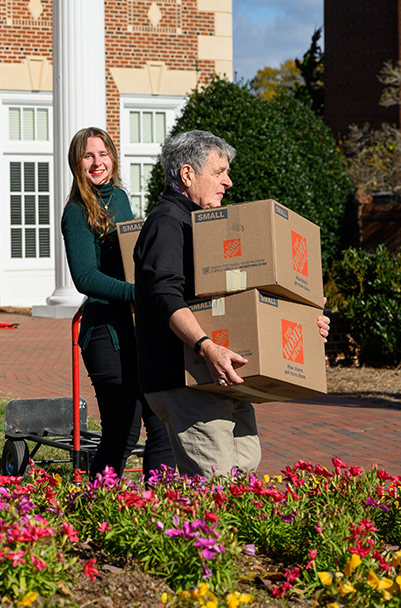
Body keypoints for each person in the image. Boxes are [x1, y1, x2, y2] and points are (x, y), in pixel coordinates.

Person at [133, 130, 330, 477]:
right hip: (185, 377)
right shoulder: (167, 223)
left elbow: (244, 299)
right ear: (187, 174)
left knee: (244, 471)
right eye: (219, 171)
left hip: (222, 377)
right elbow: (165, 296)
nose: (229, 181)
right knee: (216, 483)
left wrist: (303, 319)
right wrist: (207, 348)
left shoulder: (204, 227)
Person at [61, 127, 174, 482]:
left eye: (103, 154)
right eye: (88, 156)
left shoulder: (121, 199)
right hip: (105, 332)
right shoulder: (76, 213)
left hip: (140, 328)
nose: (98, 162)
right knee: (122, 431)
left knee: (161, 424)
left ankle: (161, 510)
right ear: (77, 163)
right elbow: (86, 279)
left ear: (113, 157)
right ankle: (94, 508)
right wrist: (138, 294)